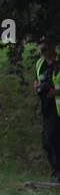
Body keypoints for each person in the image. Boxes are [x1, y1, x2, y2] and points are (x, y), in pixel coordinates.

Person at [35, 37, 60, 181]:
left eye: (45, 49)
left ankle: (58, 171)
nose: (43, 52)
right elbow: (37, 79)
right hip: (47, 107)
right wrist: (37, 86)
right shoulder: (40, 63)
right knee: (46, 141)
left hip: (58, 107)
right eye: (41, 49)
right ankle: (55, 170)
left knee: (53, 138)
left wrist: (56, 92)